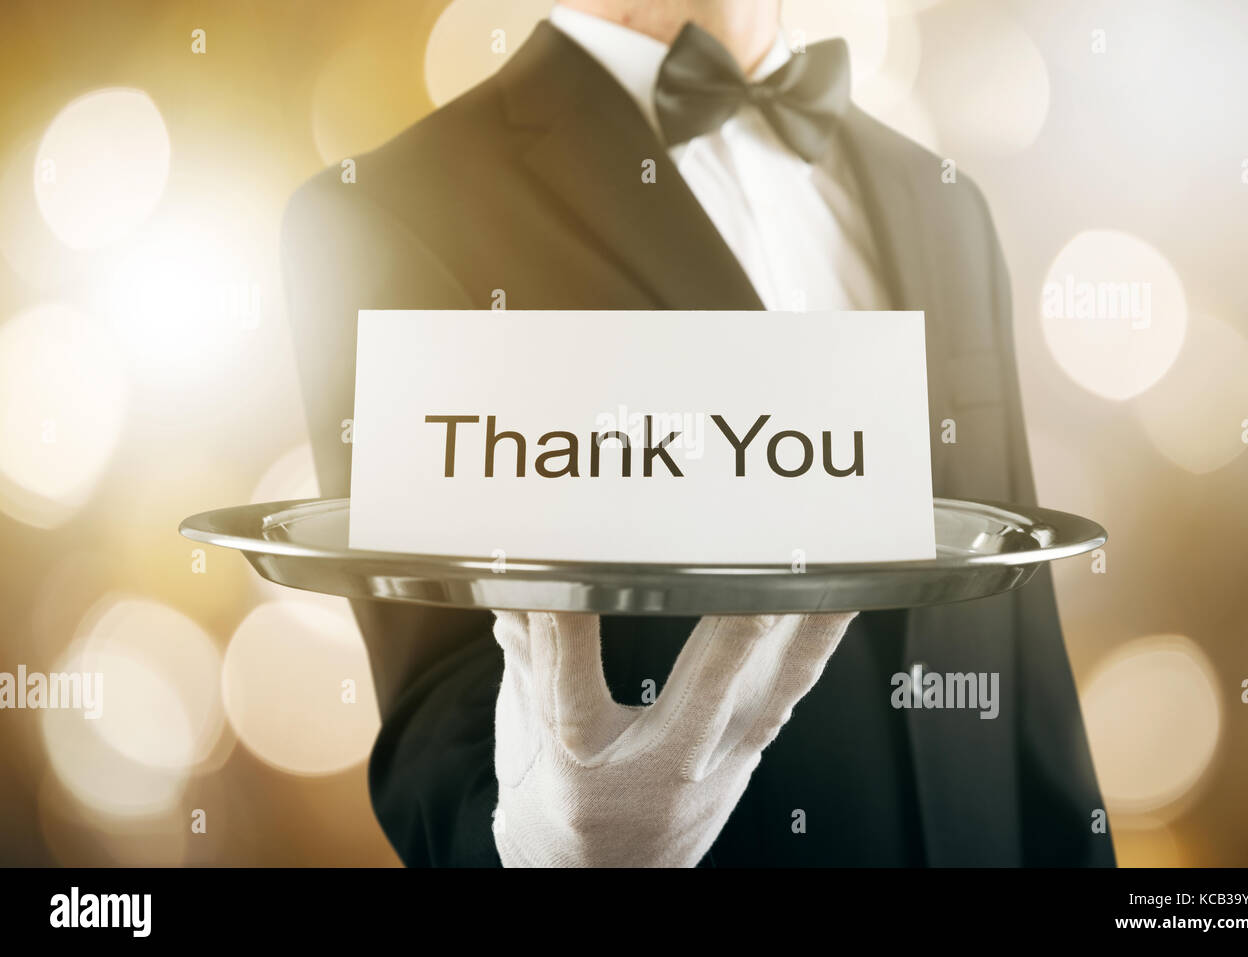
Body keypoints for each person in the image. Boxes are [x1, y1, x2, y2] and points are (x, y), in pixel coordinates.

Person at [280, 0, 1114, 867]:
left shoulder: (944, 202)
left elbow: (1031, 685)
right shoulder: (389, 213)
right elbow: (440, 726)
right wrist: (547, 851)